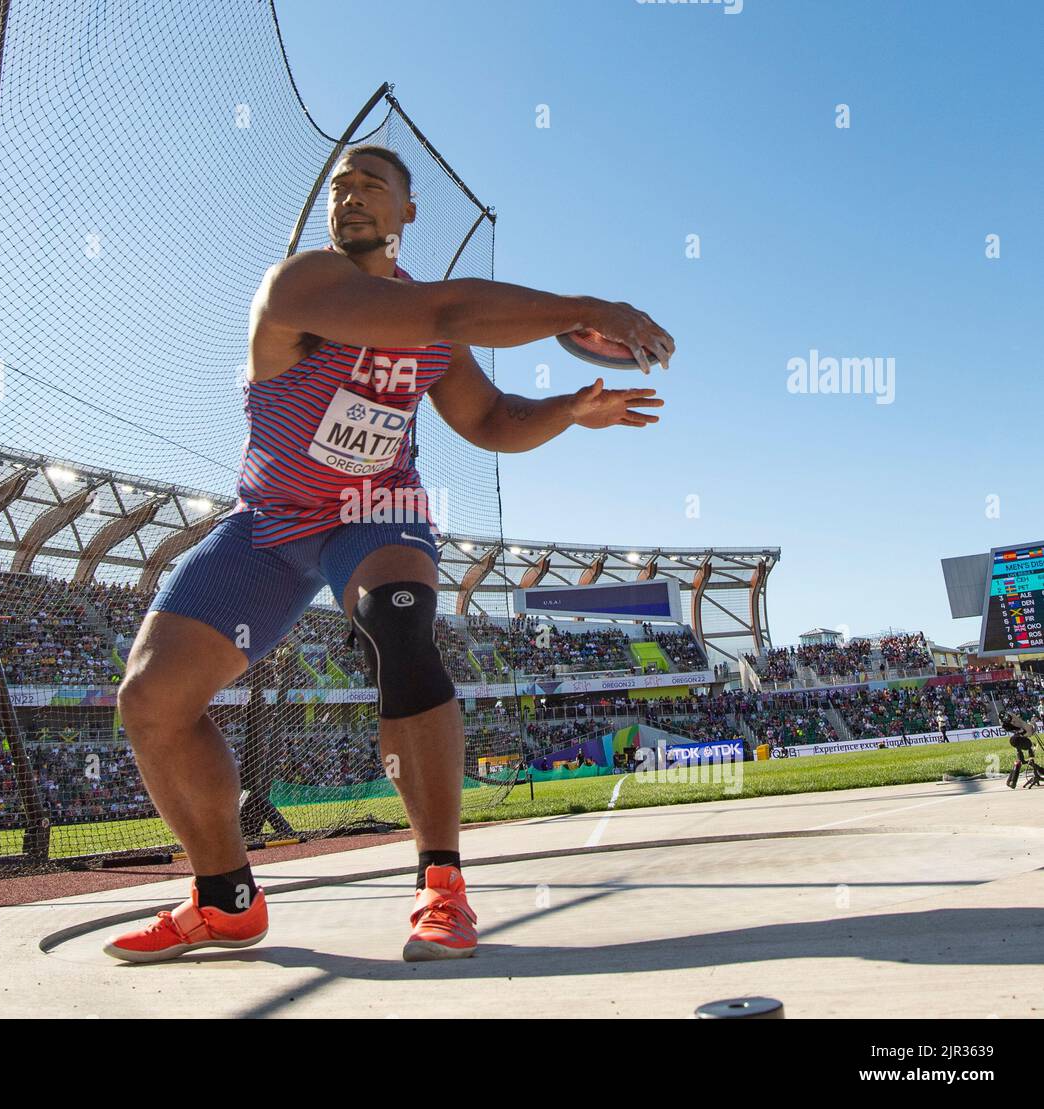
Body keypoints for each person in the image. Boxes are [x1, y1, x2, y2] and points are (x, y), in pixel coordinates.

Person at [105, 145, 674, 965]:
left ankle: (441, 886)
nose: (352, 196)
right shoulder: (301, 284)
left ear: (409, 210)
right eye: (340, 185)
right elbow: (446, 315)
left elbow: (491, 421)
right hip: (270, 519)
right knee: (151, 700)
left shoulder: (431, 318)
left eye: (373, 185)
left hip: (375, 510)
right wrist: (583, 308)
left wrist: (567, 410)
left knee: (398, 624)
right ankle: (225, 899)